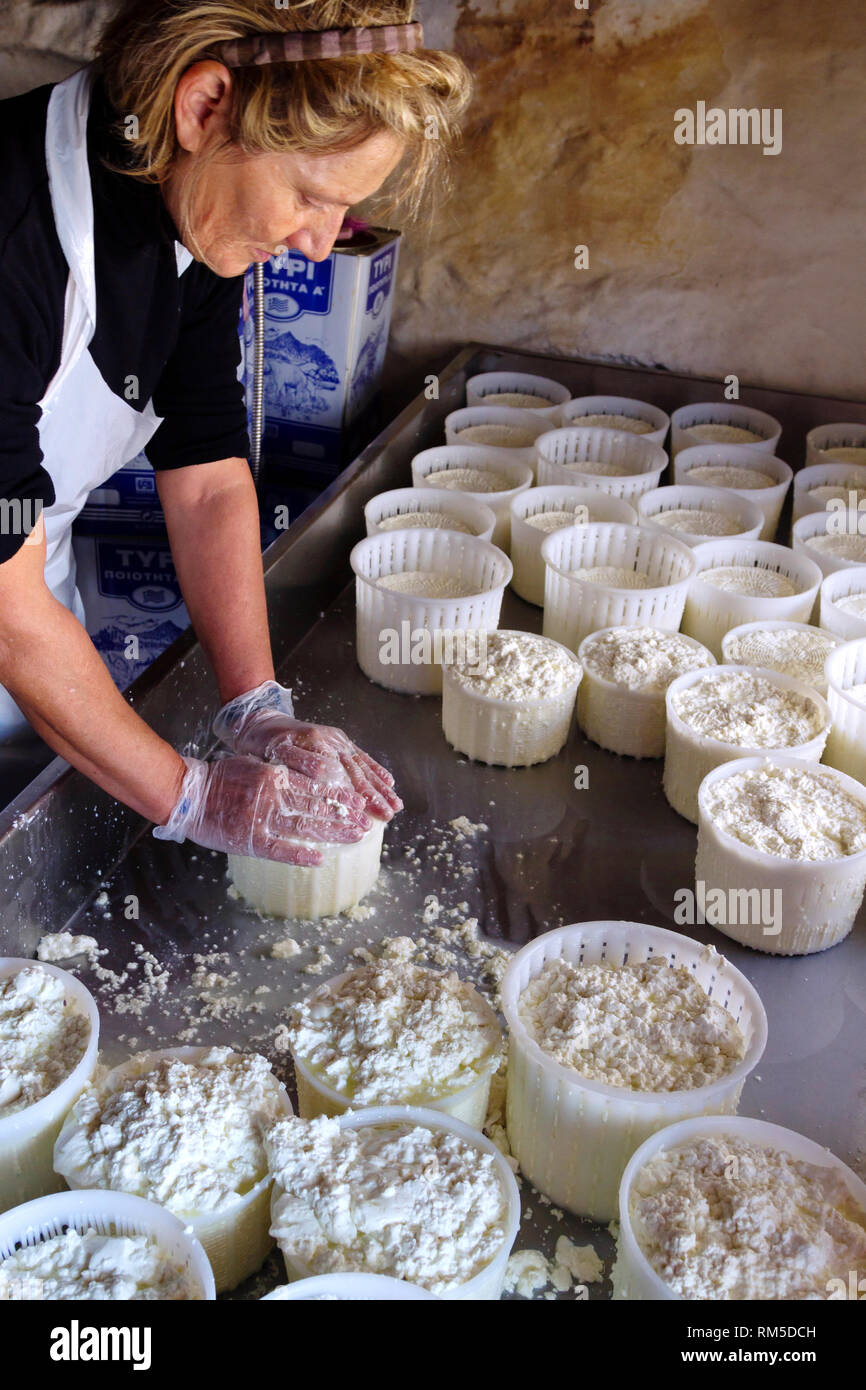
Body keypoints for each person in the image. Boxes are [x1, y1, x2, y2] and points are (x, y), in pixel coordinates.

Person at [0, 1, 472, 863]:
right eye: (310, 197)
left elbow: (208, 467)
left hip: (30, 624)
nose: (318, 244)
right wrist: (195, 796)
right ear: (205, 106)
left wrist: (255, 705)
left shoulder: (192, 208)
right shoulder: (13, 241)